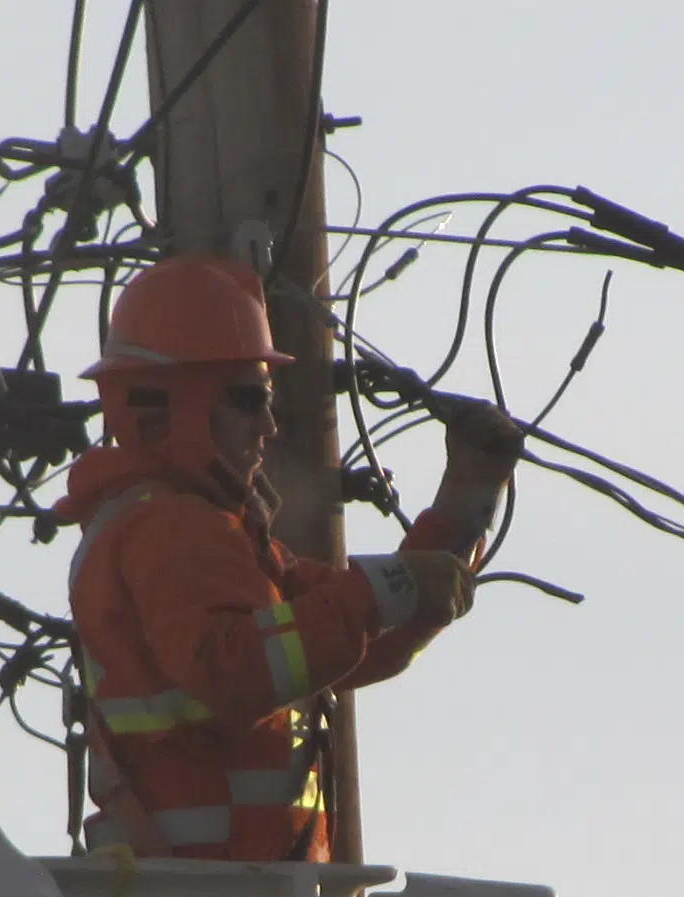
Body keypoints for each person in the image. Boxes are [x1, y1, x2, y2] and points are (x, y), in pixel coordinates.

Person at [57, 253, 521, 861]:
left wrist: (464, 505)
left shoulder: (209, 533)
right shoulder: (169, 526)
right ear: (173, 404)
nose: (269, 426)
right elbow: (235, 667)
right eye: (250, 399)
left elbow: (350, 634)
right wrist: (390, 588)